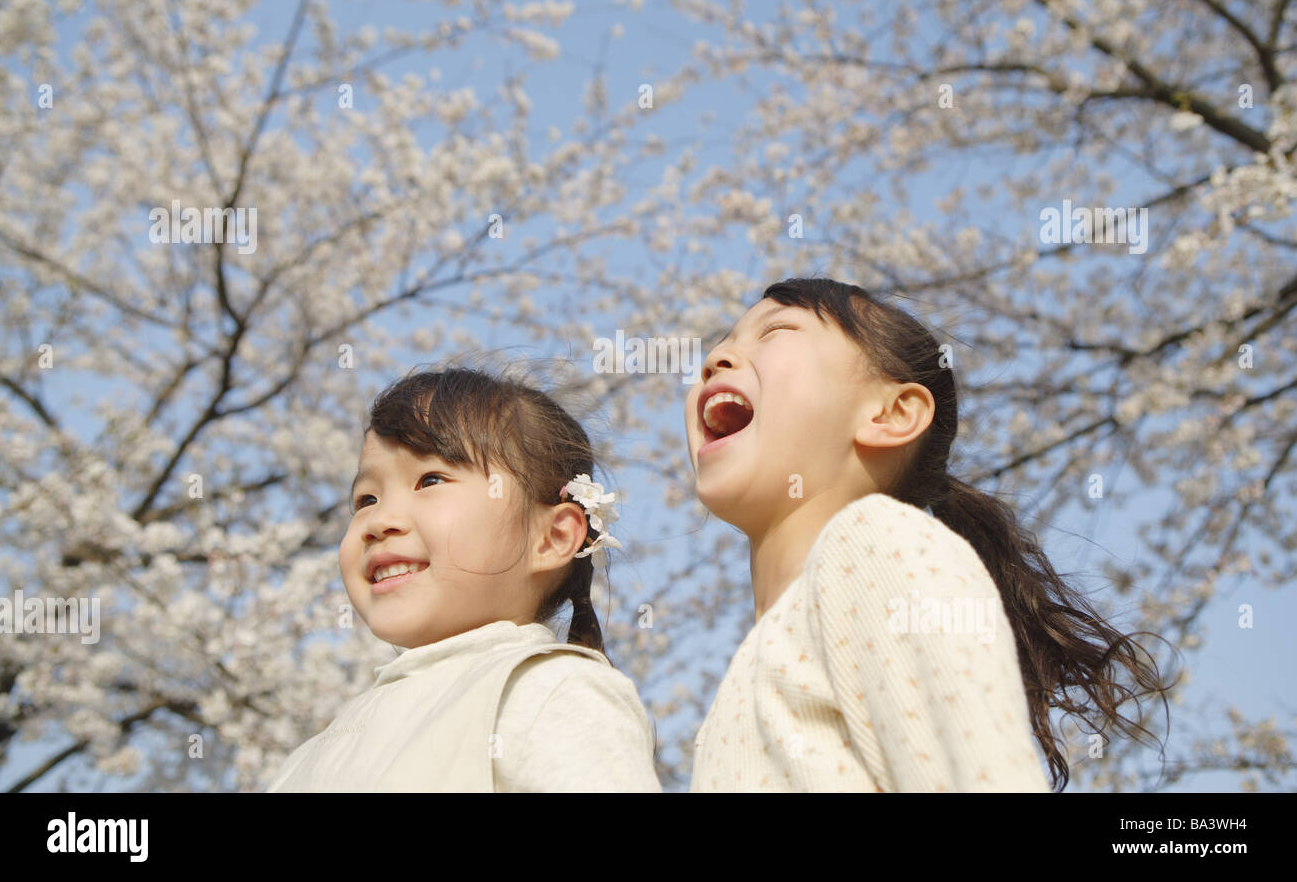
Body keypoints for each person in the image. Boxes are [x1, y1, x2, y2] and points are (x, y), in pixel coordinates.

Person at [685, 277, 1171, 792]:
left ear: (892, 414)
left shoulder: (876, 544)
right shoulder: (754, 666)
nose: (716, 359)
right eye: (722, 342)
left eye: (776, 330)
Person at [267, 367, 661, 792]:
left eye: (430, 479)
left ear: (551, 538)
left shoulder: (548, 692)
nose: (378, 521)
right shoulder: (309, 756)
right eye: (366, 499)